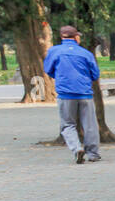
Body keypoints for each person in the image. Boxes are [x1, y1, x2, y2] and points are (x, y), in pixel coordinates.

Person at [43, 25, 101, 164]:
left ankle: (76, 149)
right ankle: (93, 153)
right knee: (90, 124)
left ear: (62, 37)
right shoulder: (85, 53)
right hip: (85, 93)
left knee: (68, 124)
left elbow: (48, 70)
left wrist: (61, 77)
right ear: (76, 37)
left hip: (65, 94)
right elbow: (95, 74)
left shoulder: (54, 51)